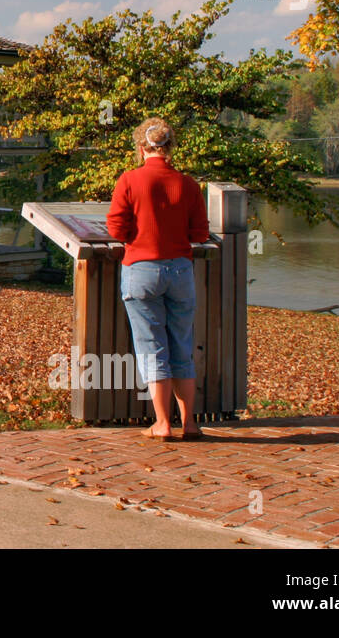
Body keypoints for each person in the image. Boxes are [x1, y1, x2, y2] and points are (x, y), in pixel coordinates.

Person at [106, 118, 210, 441]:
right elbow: (201, 233)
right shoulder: (188, 184)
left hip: (141, 270)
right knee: (182, 345)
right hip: (180, 270)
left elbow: (116, 230)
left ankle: (163, 424)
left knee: (152, 348)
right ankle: (190, 423)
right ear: (170, 148)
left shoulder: (129, 180)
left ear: (141, 149)